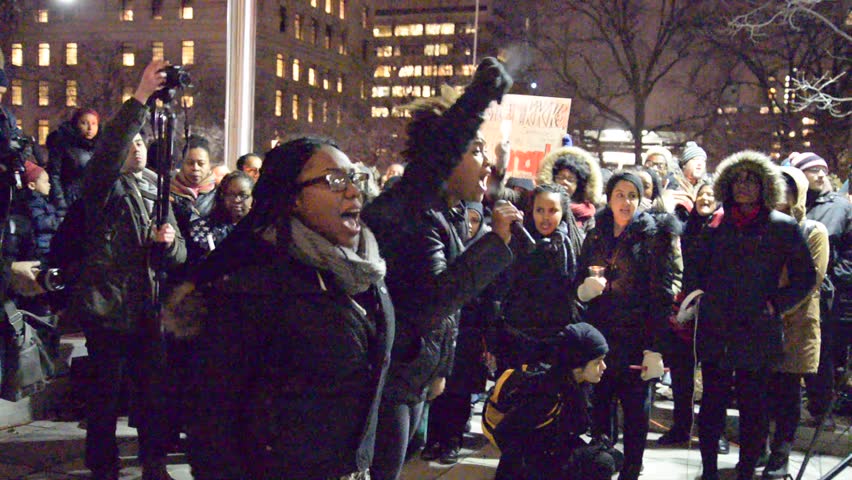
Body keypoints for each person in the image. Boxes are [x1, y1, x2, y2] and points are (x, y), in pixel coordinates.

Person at [163, 137, 393, 480]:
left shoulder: (365, 270)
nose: (352, 192)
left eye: (354, 179)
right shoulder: (250, 287)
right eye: (334, 180)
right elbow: (212, 425)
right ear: (294, 198)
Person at [362, 57, 520, 480]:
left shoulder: (447, 213)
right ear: (447, 156)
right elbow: (433, 301)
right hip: (390, 382)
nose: (487, 163)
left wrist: (437, 371)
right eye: (475, 150)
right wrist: (495, 243)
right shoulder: (415, 214)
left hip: (412, 380)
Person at [65, 59, 186, 480]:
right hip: (107, 310)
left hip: (147, 310)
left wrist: (169, 246)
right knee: (104, 397)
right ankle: (104, 467)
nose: (135, 147)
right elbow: (110, 147)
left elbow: (181, 254)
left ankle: (153, 462)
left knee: (153, 396)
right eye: (130, 142)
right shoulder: (103, 187)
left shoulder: (157, 189)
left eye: (141, 142)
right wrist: (138, 100)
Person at [691, 151, 816, 480]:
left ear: (765, 186)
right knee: (712, 406)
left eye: (752, 179)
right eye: (738, 179)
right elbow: (696, 269)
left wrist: (777, 304)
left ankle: (746, 470)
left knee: (753, 408)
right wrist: (703, 300)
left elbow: (806, 277)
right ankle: (708, 472)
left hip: (757, 330)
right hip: (717, 327)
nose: (744, 186)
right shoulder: (716, 225)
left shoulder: (782, 226)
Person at [575, 171, 682, 480]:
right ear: (609, 198)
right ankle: (601, 464)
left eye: (632, 195)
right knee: (600, 407)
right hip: (601, 338)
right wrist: (585, 290)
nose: (626, 201)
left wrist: (655, 349)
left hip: (637, 338)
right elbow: (579, 277)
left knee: (636, 412)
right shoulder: (597, 234)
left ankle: (631, 469)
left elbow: (662, 295)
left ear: (641, 200)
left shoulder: (653, 237)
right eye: (619, 194)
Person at [761, 166, 827, 479]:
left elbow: (812, 279)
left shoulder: (813, 229)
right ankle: (758, 449)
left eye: (788, 187)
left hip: (795, 324)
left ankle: (780, 455)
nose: (782, 194)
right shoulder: (762, 225)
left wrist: (777, 307)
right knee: (760, 390)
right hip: (761, 321)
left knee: (787, 393)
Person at [491, 322, 618, 480]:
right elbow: (504, 434)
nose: (604, 367)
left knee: (606, 460)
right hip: (532, 464)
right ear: (577, 365)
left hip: (550, 452)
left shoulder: (579, 385)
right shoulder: (546, 392)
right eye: (597, 362)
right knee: (601, 463)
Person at [789, 151, 852, 431]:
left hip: (826, 294)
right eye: (812, 170)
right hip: (791, 290)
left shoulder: (840, 207)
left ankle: (821, 408)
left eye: (822, 169)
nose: (820, 174)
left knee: (821, 353)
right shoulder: (795, 205)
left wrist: (835, 276)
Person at [498, 184, 584, 369]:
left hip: (559, 337)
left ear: (563, 212)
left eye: (553, 210)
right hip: (518, 335)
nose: (545, 217)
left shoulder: (573, 244)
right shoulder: (518, 241)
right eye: (540, 210)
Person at [183, 170, 253, 268]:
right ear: (222, 196)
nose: (237, 200)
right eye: (231, 194)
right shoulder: (202, 227)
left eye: (243, 195)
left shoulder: (259, 229)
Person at [170, 134, 217, 266]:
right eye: (190, 163)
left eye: (201, 163)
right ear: (182, 164)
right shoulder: (168, 194)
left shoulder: (219, 194)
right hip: (176, 264)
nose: (195, 168)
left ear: (209, 164)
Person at [537, 146, 603, 231]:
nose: (564, 182)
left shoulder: (587, 215)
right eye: (560, 177)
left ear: (579, 185)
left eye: (570, 179)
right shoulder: (539, 205)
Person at [46, 107, 100, 211]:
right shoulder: (63, 144)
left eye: (94, 124)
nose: (90, 128)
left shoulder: (100, 146)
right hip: (71, 199)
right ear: (75, 124)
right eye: (84, 123)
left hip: (93, 201)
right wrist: (61, 204)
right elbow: (54, 175)